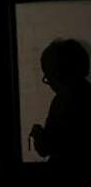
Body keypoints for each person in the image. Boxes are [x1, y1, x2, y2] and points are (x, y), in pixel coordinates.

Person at [30, 38, 91, 171]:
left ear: (57, 74)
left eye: (48, 76)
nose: (49, 83)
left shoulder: (61, 102)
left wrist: (38, 134)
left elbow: (46, 147)